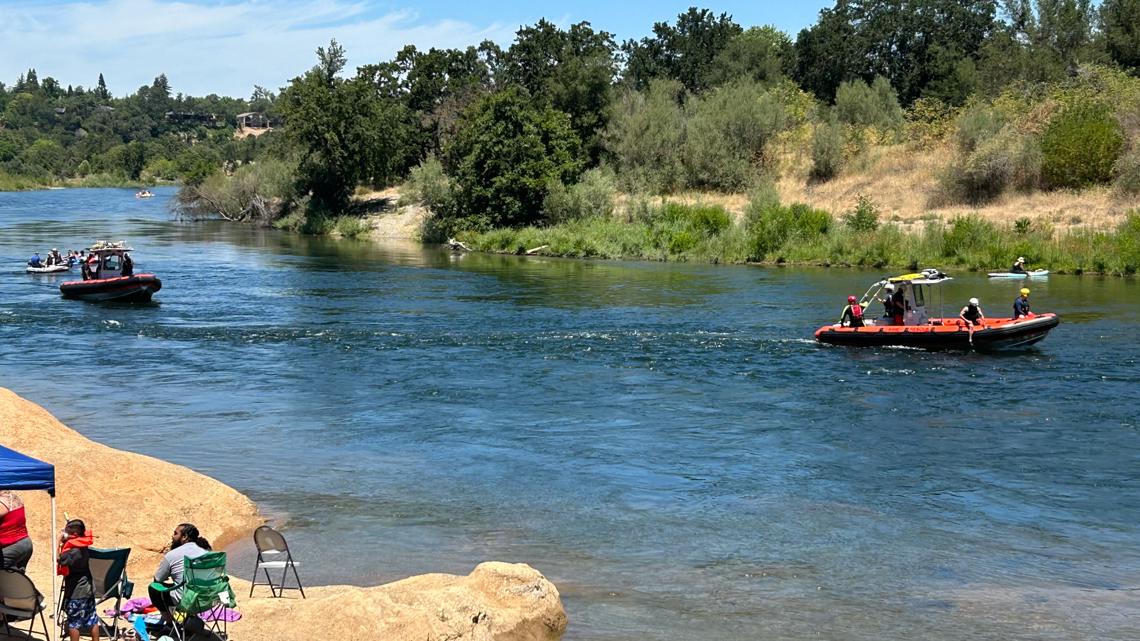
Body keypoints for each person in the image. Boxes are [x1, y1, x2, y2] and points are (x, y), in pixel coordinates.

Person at [150, 523, 211, 625]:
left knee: (153, 589)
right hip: (208, 599)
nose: (172, 536)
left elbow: (158, 580)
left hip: (187, 602)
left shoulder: (172, 555)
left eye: (175, 533)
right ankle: (187, 620)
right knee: (185, 586)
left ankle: (172, 623)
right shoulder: (206, 553)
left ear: (184, 537)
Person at [58, 519, 100, 641]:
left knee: (73, 623)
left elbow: (58, 559)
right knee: (92, 619)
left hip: (76, 592)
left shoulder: (74, 551)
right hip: (88, 588)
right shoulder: (82, 546)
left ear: (74, 534)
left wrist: (58, 541)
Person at [0, 490, 33, 572]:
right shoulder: (14, 497)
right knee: (17, 578)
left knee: (4, 576)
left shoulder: (2, 501)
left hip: (13, 545)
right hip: (25, 543)